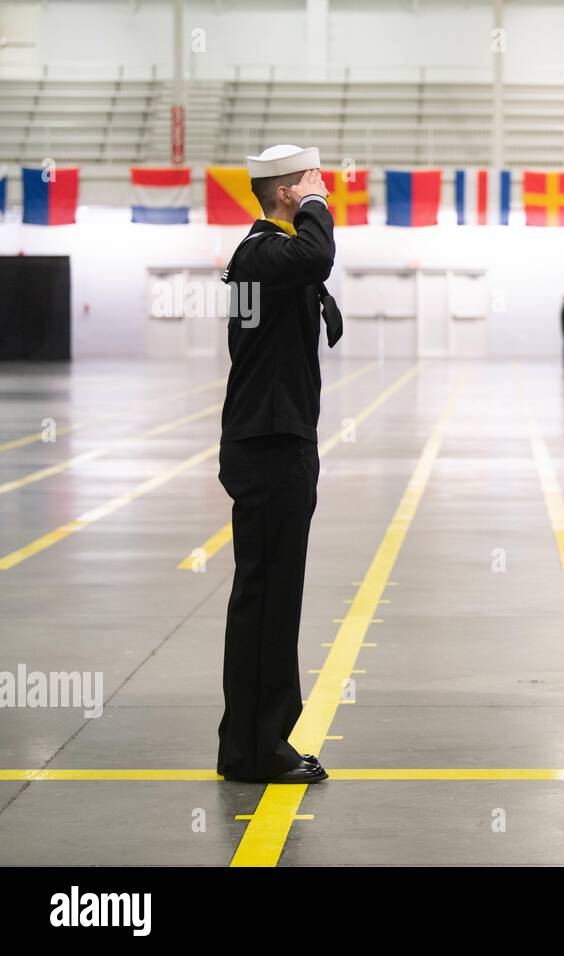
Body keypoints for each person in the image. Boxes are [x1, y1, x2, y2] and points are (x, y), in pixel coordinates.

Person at [216, 144, 342, 786]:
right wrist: (316, 204)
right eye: (312, 181)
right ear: (288, 190)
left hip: (270, 440)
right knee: (267, 599)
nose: (324, 188)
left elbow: (311, 270)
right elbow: (316, 254)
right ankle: (258, 748)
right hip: (270, 447)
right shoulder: (263, 251)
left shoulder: (266, 258)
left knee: (266, 596)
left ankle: (252, 741)